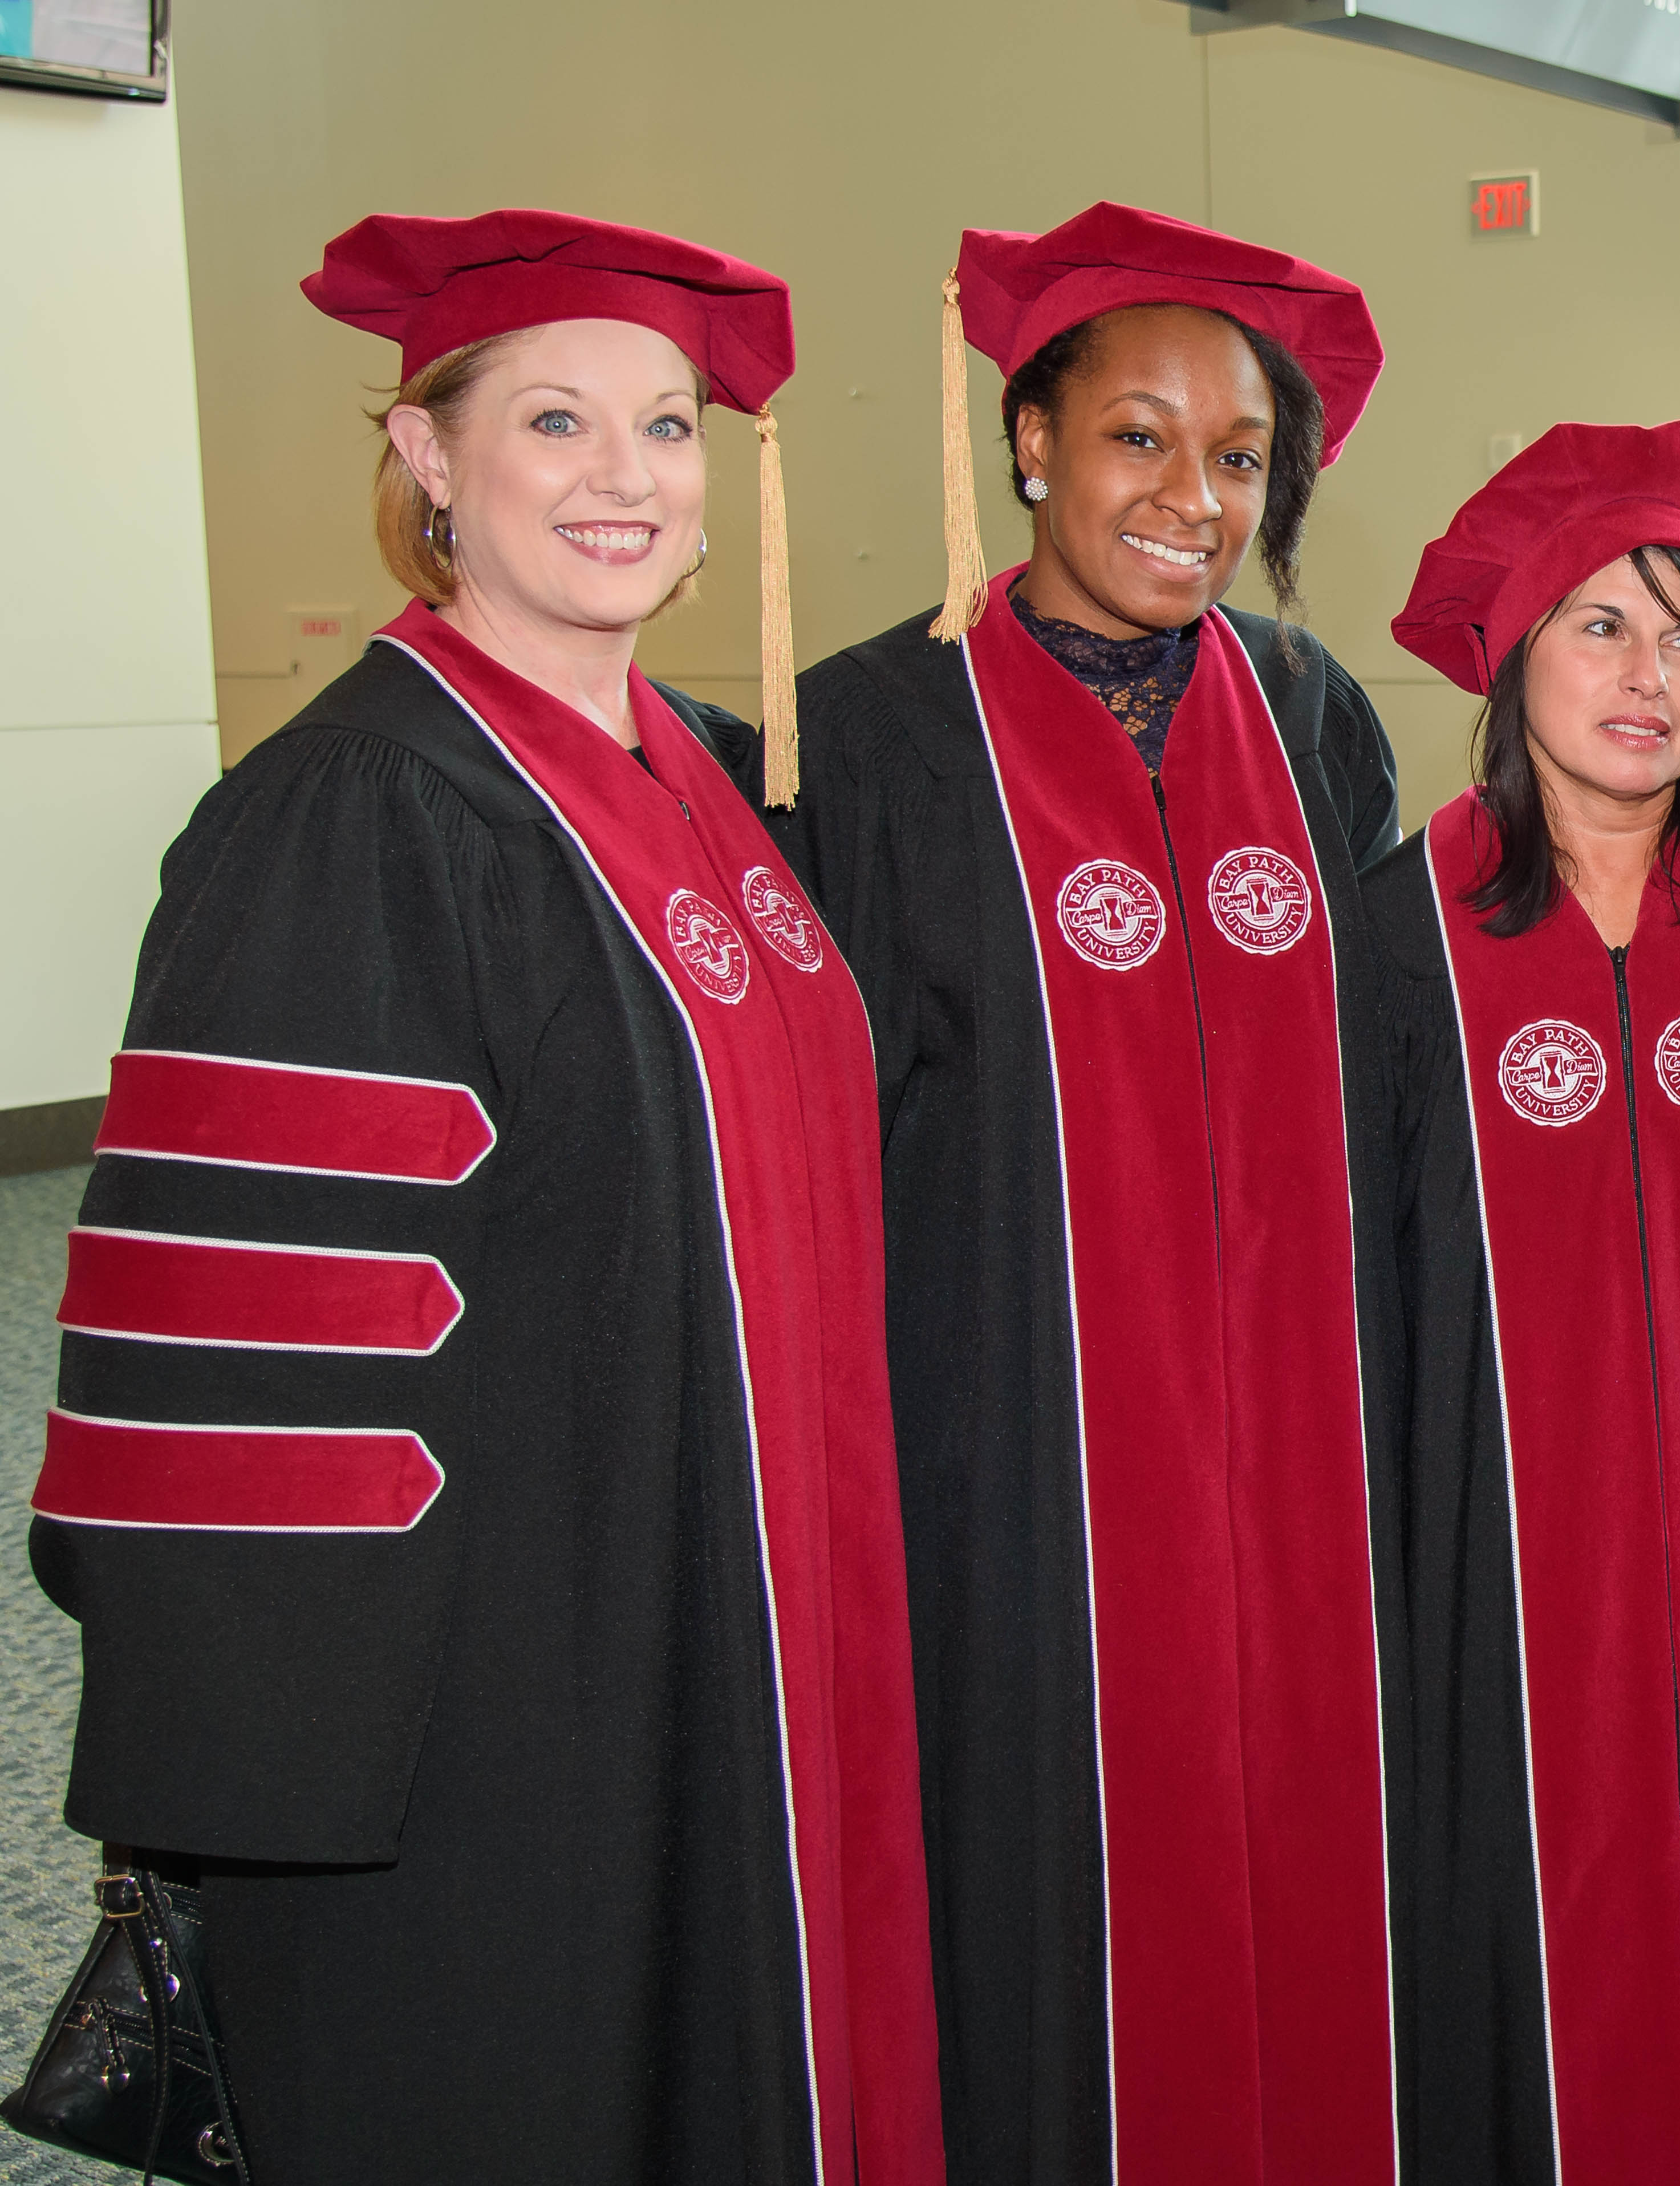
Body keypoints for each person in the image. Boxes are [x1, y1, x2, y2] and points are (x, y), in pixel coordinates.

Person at [28, 210, 943, 2184]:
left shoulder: (707, 781)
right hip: (505, 1714)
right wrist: (289, 1786)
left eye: (669, 426)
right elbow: (248, 1336)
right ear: (427, 454)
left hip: (740, 1620)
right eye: (554, 420)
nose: (628, 475)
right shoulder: (363, 809)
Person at [774, 202, 1403, 2184]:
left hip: (1301, 1453)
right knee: (1041, 1881)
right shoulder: (863, 734)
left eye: (1241, 457)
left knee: (1308, 1843)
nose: (1194, 497)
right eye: (1140, 437)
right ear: (1031, 439)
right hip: (1013, 1452)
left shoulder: (1314, 714)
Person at [1368, 418, 1680, 2183]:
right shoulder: (1392, 936)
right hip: (1490, 1591)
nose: (1650, 677)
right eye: (1602, 625)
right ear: (1513, 654)